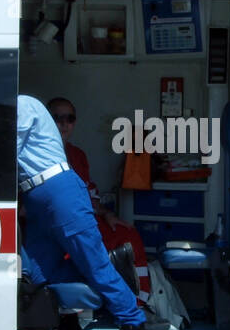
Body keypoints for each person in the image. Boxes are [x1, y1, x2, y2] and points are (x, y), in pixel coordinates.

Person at [17, 96, 154, 330]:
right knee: (37, 278)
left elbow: (4, 156)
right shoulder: (16, 107)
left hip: (57, 190)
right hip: (36, 198)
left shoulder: (22, 105)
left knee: (95, 267)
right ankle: (115, 266)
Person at [46, 97, 151, 306]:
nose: (64, 123)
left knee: (128, 234)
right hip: (56, 228)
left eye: (69, 118)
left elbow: (90, 198)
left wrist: (107, 214)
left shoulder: (78, 155)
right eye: (57, 118)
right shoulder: (37, 154)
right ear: (47, 120)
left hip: (86, 223)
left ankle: (140, 304)